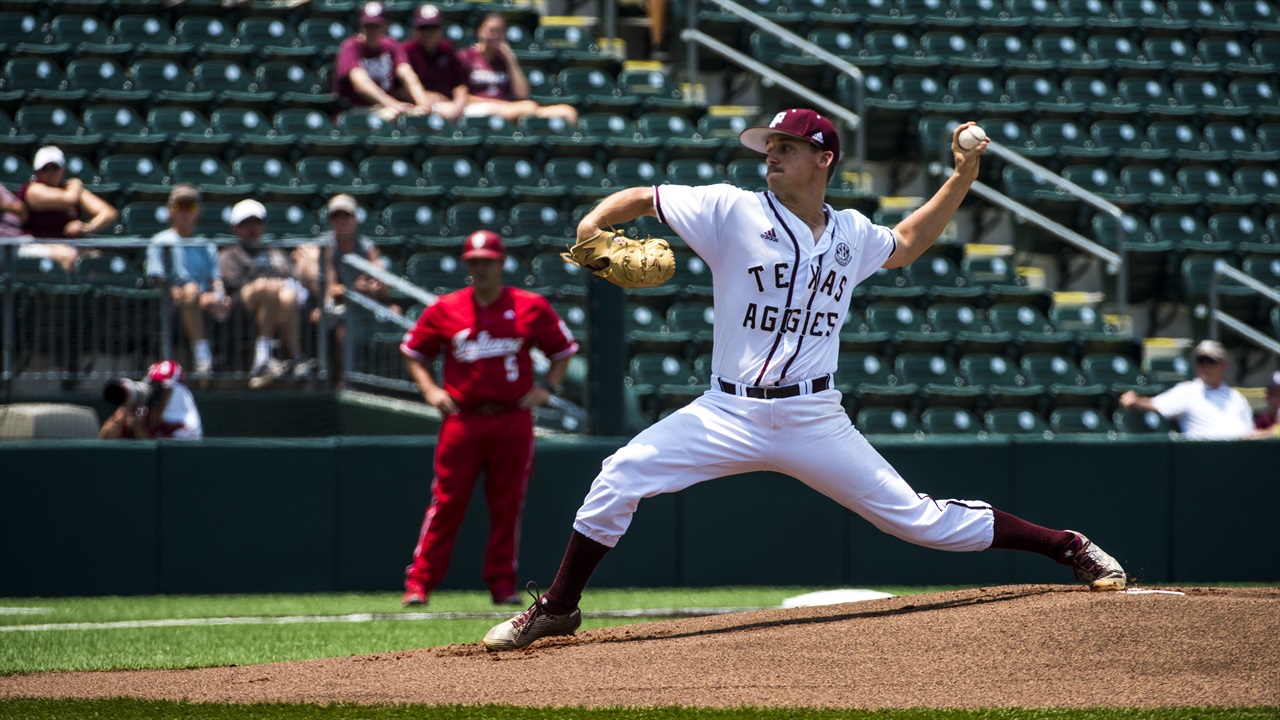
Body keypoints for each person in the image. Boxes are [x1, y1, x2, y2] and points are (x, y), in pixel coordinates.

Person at [482, 109, 1128, 651]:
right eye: (770, 147)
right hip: (725, 411)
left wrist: (962, 177)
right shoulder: (728, 209)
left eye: (787, 148)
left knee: (921, 524)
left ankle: (1066, 545)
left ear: (824, 159)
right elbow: (640, 199)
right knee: (620, 475)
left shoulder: (849, 233)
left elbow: (905, 241)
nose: (772, 156)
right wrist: (592, 228)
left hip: (813, 416)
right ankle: (560, 607)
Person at [399, 229, 579, 607]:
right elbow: (413, 350)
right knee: (446, 502)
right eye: (474, 262)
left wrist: (548, 387)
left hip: (511, 417)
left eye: (487, 261)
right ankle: (419, 583)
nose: (480, 268)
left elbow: (564, 350)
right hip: (463, 419)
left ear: (500, 263)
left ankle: (501, 584)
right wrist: (430, 390)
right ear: (467, 265)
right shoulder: (447, 307)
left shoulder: (529, 305)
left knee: (507, 503)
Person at [297, 194, 395, 388]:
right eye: (336, 216)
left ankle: (351, 383)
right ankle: (338, 382)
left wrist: (375, 286)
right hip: (328, 305)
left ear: (355, 218)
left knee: (390, 313)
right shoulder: (324, 246)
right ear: (330, 220)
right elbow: (330, 289)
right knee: (341, 326)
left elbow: (385, 288)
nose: (341, 221)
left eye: (346, 216)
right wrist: (353, 288)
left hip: (357, 305)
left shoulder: (366, 246)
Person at [217, 199, 310, 389]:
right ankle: (263, 359)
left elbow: (289, 275)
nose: (251, 228)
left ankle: (297, 358)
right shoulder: (229, 254)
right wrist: (267, 281)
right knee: (265, 286)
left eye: (256, 222)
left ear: (264, 225)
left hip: (276, 304)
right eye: (245, 223)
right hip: (240, 309)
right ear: (235, 227)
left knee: (289, 295)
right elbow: (234, 283)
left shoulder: (275, 252)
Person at [145, 184, 231, 380]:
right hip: (171, 305)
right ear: (170, 210)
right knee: (191, 291)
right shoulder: (160, 241)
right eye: (179, 206)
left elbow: (216, 280)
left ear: (198, 212)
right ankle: (203, 358)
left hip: (206, 305)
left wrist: (220, 298)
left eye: (190, 207)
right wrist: (195, 297)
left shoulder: (206, 244)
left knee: (228, 301)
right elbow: (159, 282)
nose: (184, 212)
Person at [1119, 339, 1255, 440]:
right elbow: (1157, 404)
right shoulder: (1188, 391)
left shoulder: (1236, 397)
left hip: (1241, 454)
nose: (1205, 367)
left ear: (1224, 365)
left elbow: (1249, 432)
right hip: (1206, 457)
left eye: (1211, 361)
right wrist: (1134, 400)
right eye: (1201, 361)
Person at [457, 13, 578, 124]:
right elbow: (461, 96)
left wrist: (511, 60)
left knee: (568, 112)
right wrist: (499, 104)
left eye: (500, 32)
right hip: (478, 109)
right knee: (527, 108)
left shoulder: (504, 59)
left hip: (510, 109)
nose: (495, 36)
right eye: (491, 30)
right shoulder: (466, 56)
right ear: (480, 31)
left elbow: (522, 95)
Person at [16, 145, 117, 271]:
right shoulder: (32, 190)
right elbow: (68, 199)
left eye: (55, 167)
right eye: (45, 168)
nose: (50, 172)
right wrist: (76, 183)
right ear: (37, 171)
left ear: (63, 169)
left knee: (95, 258)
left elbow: (109, 213)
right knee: (67, 255)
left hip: (65, 245)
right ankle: (63, 291)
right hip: (33, 243)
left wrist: (87, 226)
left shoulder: (71, 189)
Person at [333, 1, 437, 117]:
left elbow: (407, 74)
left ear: (385, 26)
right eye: (368, 25)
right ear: (361, 26)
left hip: (385, 107)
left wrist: (423, 104)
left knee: (425, 114)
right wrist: (393, 104)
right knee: (394, 116)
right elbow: (361, 84)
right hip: (356, 112)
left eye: (376, 26)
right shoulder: (350, 47)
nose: (371, 30)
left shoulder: (390, 45)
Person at [98, 360, 204, 440]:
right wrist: (122, 413)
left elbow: (167, 462)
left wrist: (141, 434)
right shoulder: (139, 412)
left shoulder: (183, 426)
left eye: (160, 389)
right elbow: (104, 441)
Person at [400, 4, 468, 121]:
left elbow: (460, 84)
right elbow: (395, 89)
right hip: (417, 105)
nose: (429, 33)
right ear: (415, 30)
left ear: (441, 30)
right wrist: (425, 96)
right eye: (424, 28)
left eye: (433, 28)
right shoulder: (407, 50)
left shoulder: (447, 49)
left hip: (449, 104)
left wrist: (458, 105)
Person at [1253, 371, 1280, 437]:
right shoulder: (1262, 419)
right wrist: (1274, 431)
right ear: (1267, 396)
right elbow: (1250, 436)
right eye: (1276, 394)